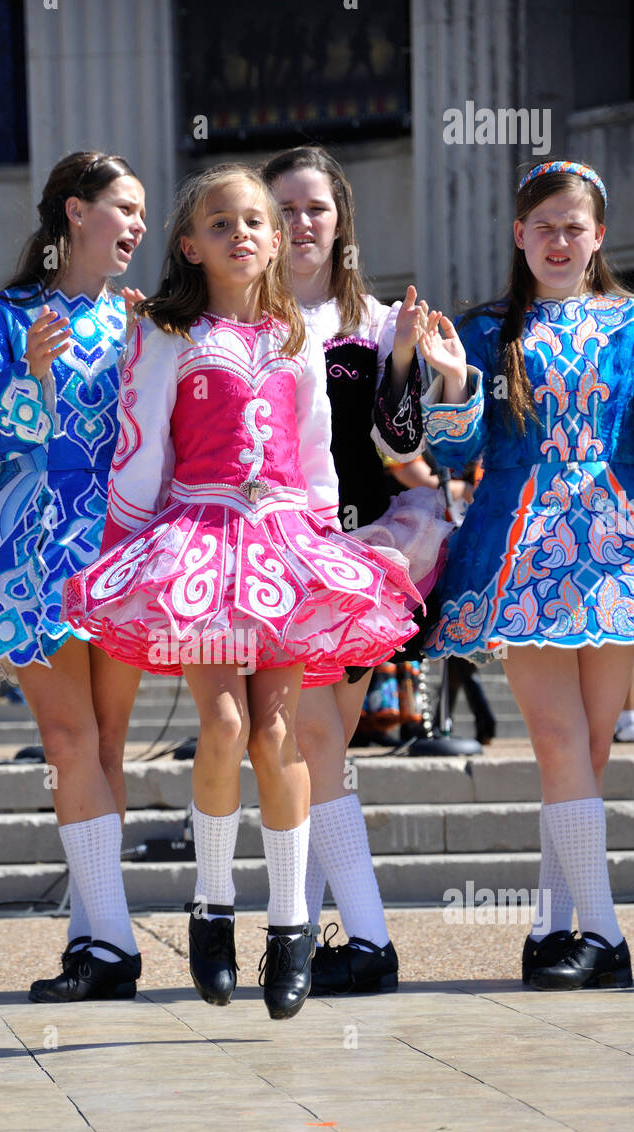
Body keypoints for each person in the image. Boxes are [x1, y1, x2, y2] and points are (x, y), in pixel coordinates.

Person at [62, 163, 423, 1019]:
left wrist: (325, 556)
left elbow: (314, 454)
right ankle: (212, 903)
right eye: (220, 223)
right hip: (201, 546)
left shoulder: (294, 336)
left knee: (277, 731)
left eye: (255, 221)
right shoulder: (165, 334)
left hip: (285, 549)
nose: (243, 235)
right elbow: (142, 449)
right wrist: (128, 548)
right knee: (222, 723)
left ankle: (290, 923)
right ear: (190, 244)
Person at [0, 151, 148, 1002]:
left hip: (124, 546)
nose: (135, 225)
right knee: (66, 742)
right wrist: (33, 371)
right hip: (37, 547)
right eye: (121, 209)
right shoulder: (7, 313)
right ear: (72, 212)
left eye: (139, 212)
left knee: (104, 743)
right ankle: (117, 943)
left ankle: (91, 936)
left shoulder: (143, 317)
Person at [419, 159, 634, 991]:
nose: (556, 239)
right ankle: (607, 936)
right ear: (517, 235)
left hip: (614, 543)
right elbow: (454, 454)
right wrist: (450, 380)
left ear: (597, 236)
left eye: (571, 225)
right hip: (523, 547)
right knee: (554, 741)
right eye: (541, 225)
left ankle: (551, 929)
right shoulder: (481, 330)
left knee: (583, 746)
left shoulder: (627, 323)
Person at [262, 145, 450, 995]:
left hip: (357, 552)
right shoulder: (243, 321)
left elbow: (400, 448)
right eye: (284, 210)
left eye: (315, 209)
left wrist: (405, 360)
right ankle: (304, 941)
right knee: (313, 746)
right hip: (268, 554)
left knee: (311, 741)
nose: (301, 225)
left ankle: (361, 941)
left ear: (339, 221)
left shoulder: (372, 322)